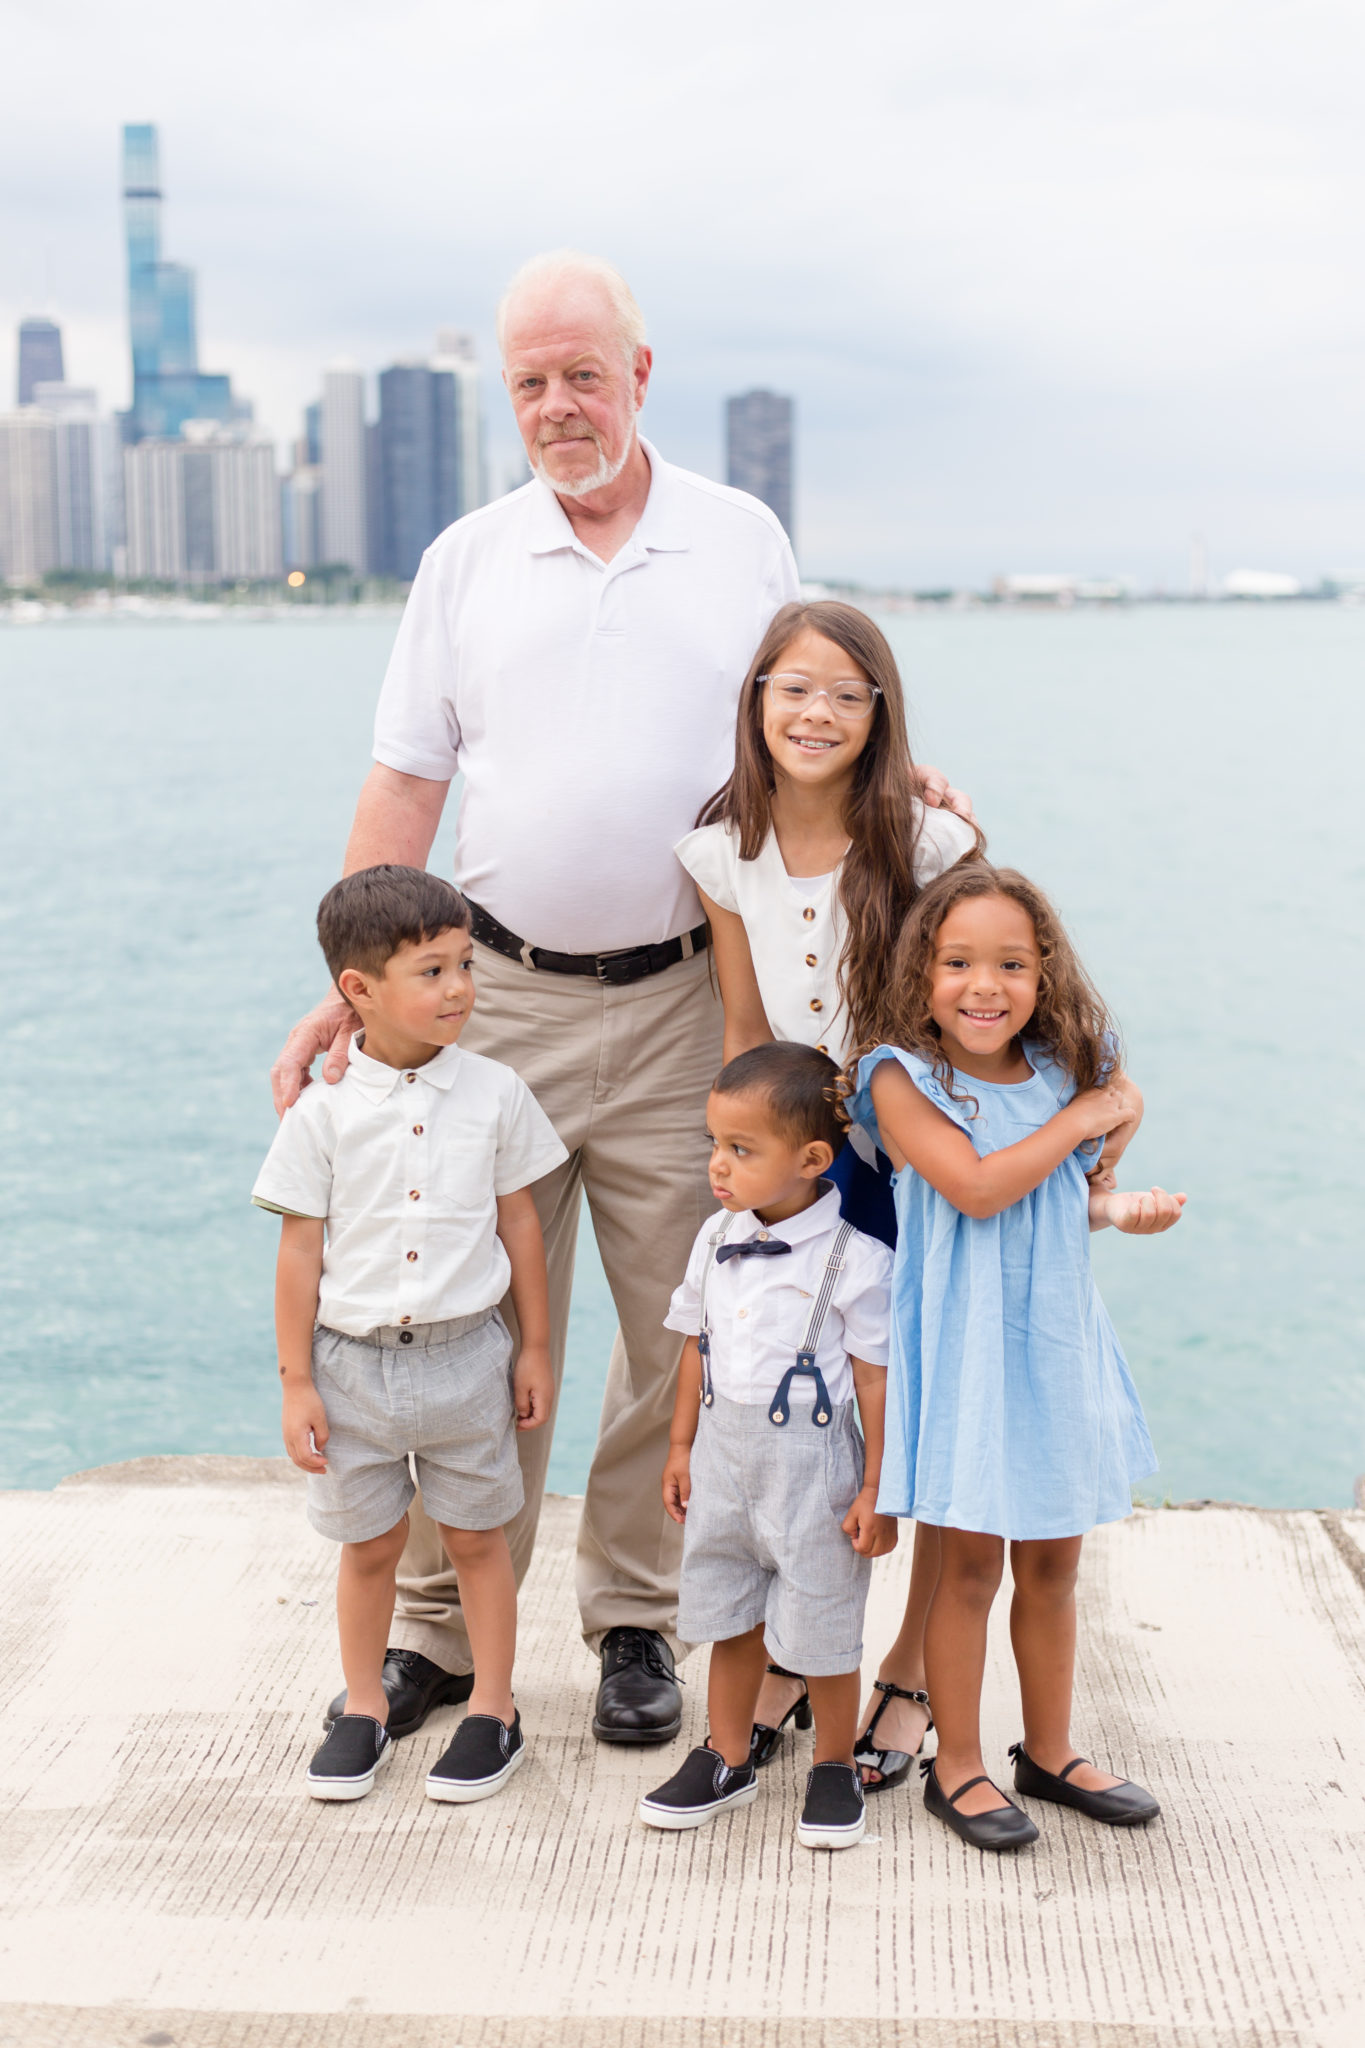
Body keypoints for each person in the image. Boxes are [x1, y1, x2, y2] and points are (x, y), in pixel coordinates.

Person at [270, 250, 972, 1748]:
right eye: (528, 382)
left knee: (680, 1325)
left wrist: (912, 788)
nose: (556, 405)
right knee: (463, 1308)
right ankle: (449, 1636)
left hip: (681, 1005)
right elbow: (407, 778)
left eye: (582, 373)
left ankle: (634, 1617)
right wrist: (344, 986)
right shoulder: (464, 558)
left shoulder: (737, 536)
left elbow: (815, 703)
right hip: (493, 996)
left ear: (640, 376)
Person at [673, 598, 977, 1775]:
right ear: (756, 702)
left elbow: (986, 993)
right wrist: (757, 1187)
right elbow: (747, 1030)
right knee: (810, 1425)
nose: (816, 711)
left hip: (921, 1154)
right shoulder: (718, 853)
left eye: (847, 693)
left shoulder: (932, 842)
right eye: (793, 687)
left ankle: (909, 1675)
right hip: (807, 1168)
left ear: (880, 714)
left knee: (929, 1415)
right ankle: (804, 1648)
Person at [846, 861, 1184, 1850]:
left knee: (1053, 1565)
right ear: (923, 972)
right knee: (966, 1570)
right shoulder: (900, 1079)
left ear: (1044, 973)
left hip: (1055, 1345)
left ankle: (1050, 1747)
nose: (983, 985)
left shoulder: (1052, 1069)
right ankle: (957, 1765)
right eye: (957, 962)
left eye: (1010, 963)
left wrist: (1120, 1192)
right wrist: (1089, 1115)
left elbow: (1073, 1180)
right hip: (964, 1357)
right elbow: (981, 1188)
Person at [252, 867, 567, 1802]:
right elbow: (298, 1257)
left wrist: (537, 1348)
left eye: (465, 965)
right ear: (358, 990)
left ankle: (493, 1711)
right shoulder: (324, 1113)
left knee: (479, 1541)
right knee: (371, 1547)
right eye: (431, 972)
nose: (459, 989)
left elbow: (521, 1229)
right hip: (350, 1369)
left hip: (470, 1357)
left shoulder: (498, 1091)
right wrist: (295, 1382)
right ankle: (363, 1706)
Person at [638, 1043, 897, 1850]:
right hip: (722, 1457)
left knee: (821, 1621)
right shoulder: (715, 1235)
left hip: (812, 1471)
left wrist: (876, 1490)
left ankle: (830, 1762)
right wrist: (680, 1446)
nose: (718, 1166)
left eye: (741, 1150)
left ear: (812, 1159)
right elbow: (695, 1343)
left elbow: (876, 1384)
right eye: (713, 1144)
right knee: (728, 1610)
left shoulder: (857, 1260)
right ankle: (725, 1755)